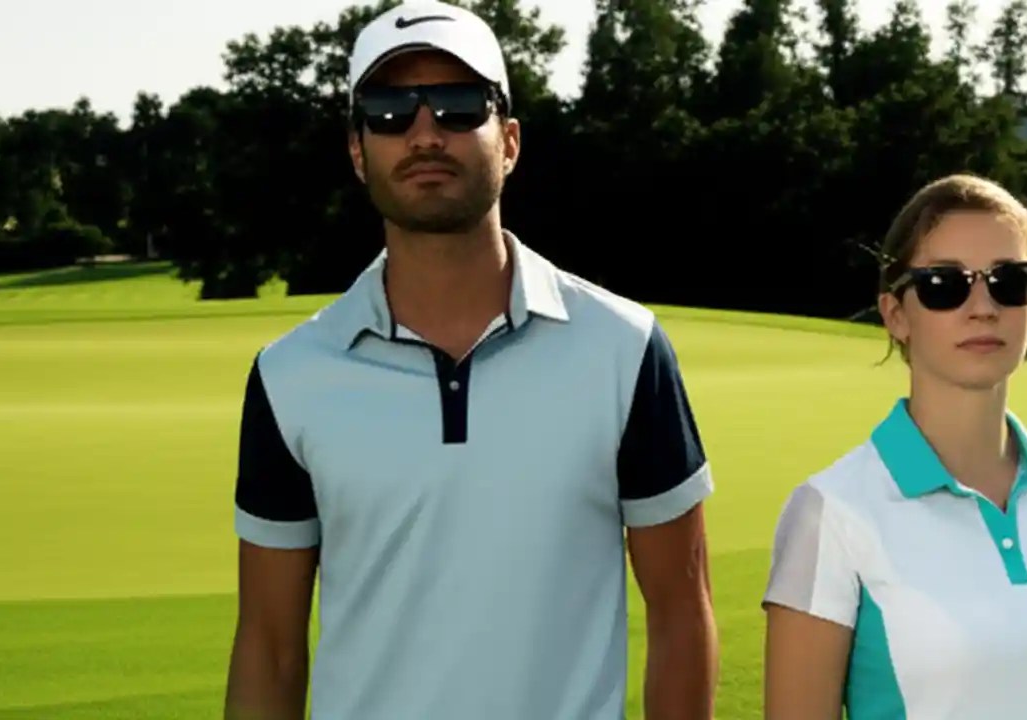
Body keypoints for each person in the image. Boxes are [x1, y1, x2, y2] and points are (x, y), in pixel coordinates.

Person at [222, 2, 719, 719]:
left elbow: (681, 612)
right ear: (358, 151)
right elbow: (269, 646)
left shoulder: (624, 347)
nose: (425, 133)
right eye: (391, 111)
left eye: (459, 105)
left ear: (509, 141)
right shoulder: (290, 375)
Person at [761, 173, 1027, 719]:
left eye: (1010, 281)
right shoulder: (830, 513)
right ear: (896, 314)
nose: (983, 306)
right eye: (945, 284)